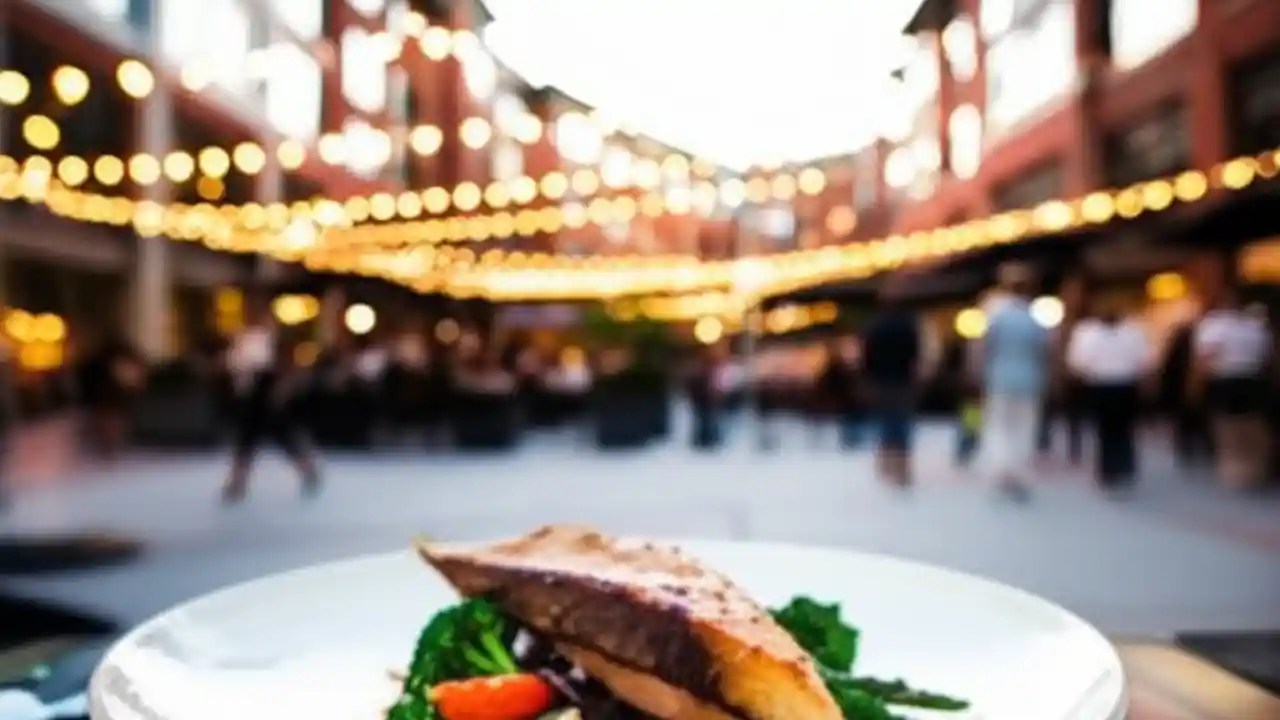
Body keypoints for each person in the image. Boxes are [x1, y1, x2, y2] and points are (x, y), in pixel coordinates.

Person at [221, 310, 320, 503]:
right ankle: (238, 482)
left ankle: (307, 470)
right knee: (247, 439)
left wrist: (282, 388)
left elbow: (284, 367)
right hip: (251, 392)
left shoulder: (272, 338)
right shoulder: (242, 338)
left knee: (282, 436)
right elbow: (236, 367)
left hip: (266, 389)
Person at [977, 265, 1050, 498]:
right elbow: (1045, 350)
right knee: (1024, 427)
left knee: (999, 426)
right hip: (1029, 379)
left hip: (999, 378)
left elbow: (983, 346)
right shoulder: (1034, 317)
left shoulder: (996, 315)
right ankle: (1018, 470)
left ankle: (1001, 469)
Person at [1193, 291, 1272, 489]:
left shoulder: (1214, 325)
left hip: (1225, 378)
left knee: (1226, 424)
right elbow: (1266, 357)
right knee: (1254, 423)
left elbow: (1206, 356)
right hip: (1253, 378)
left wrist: (1196, 384)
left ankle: (1234, 470)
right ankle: (1257, 468)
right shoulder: (1255, 326)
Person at [1067, 301, 1149, 489]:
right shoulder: (1129, 333)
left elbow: (1077, 362)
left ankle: (1113, 467)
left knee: (1111, 428)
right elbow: (1144, 362)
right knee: (1118, 428)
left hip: (1108, 384)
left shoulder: (1090, 333)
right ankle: (1119, 465)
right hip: (1116, 384)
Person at [862, 289, 922, 485]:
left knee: (886, 422)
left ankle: (887, 464)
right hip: (903, 379)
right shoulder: (908, 326)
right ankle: (902, 467)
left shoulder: (874, 326)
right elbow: (916, 354)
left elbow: (867, 357)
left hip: (881, 380)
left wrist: (868, 379)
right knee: (902, 422)